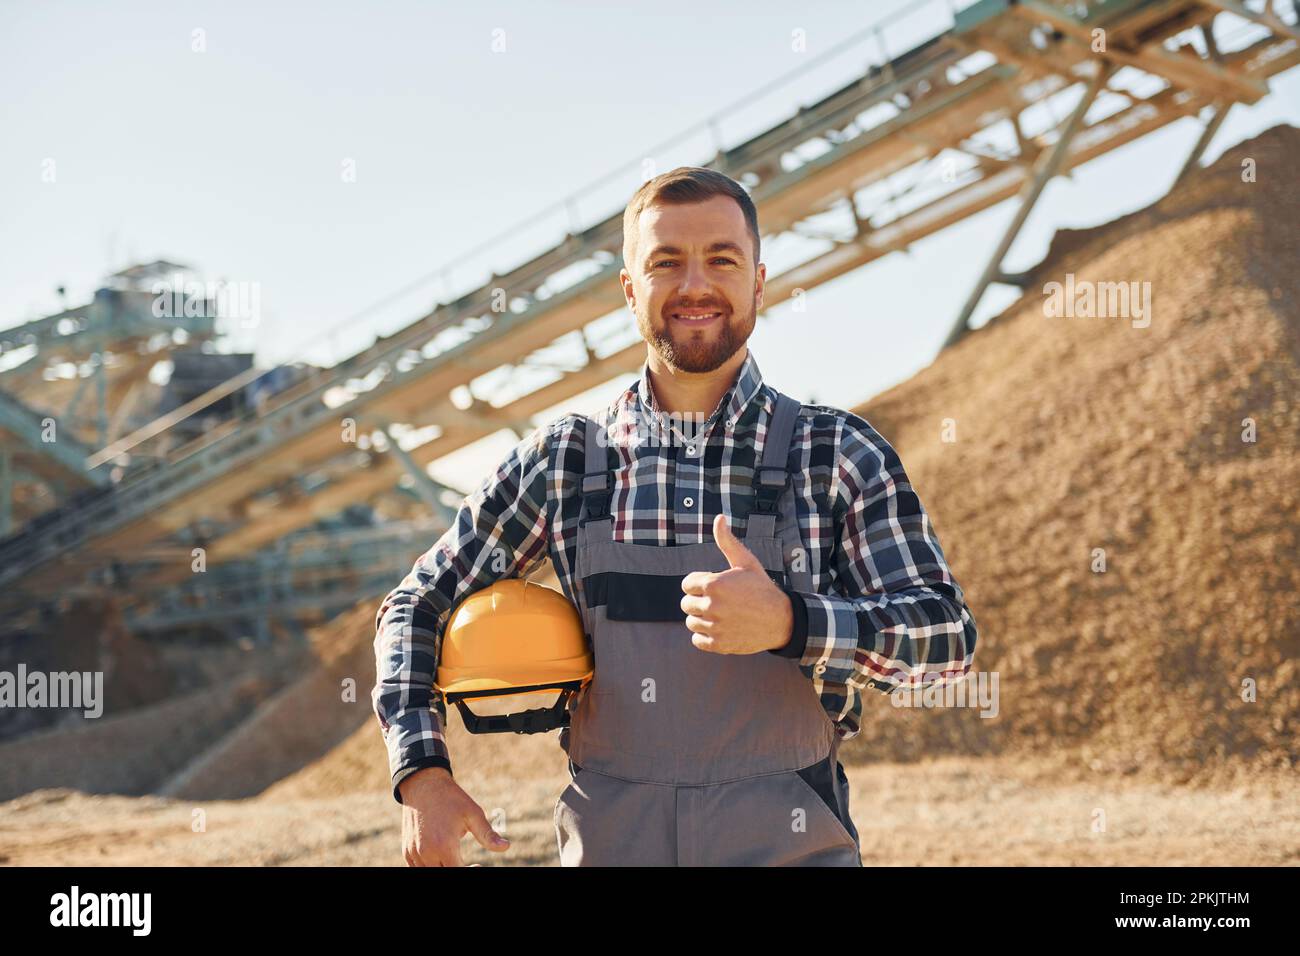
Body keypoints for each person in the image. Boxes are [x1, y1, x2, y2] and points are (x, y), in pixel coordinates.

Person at [373, 166, 978, 866]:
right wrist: (421, 774)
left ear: (758, 281)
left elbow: (948, 639)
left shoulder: (836, 453)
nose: (695, 285)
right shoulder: (566, 462)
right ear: (631, 290)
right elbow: (416, 604)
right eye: (666, 263)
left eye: (722, 259)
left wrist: (794, 622)